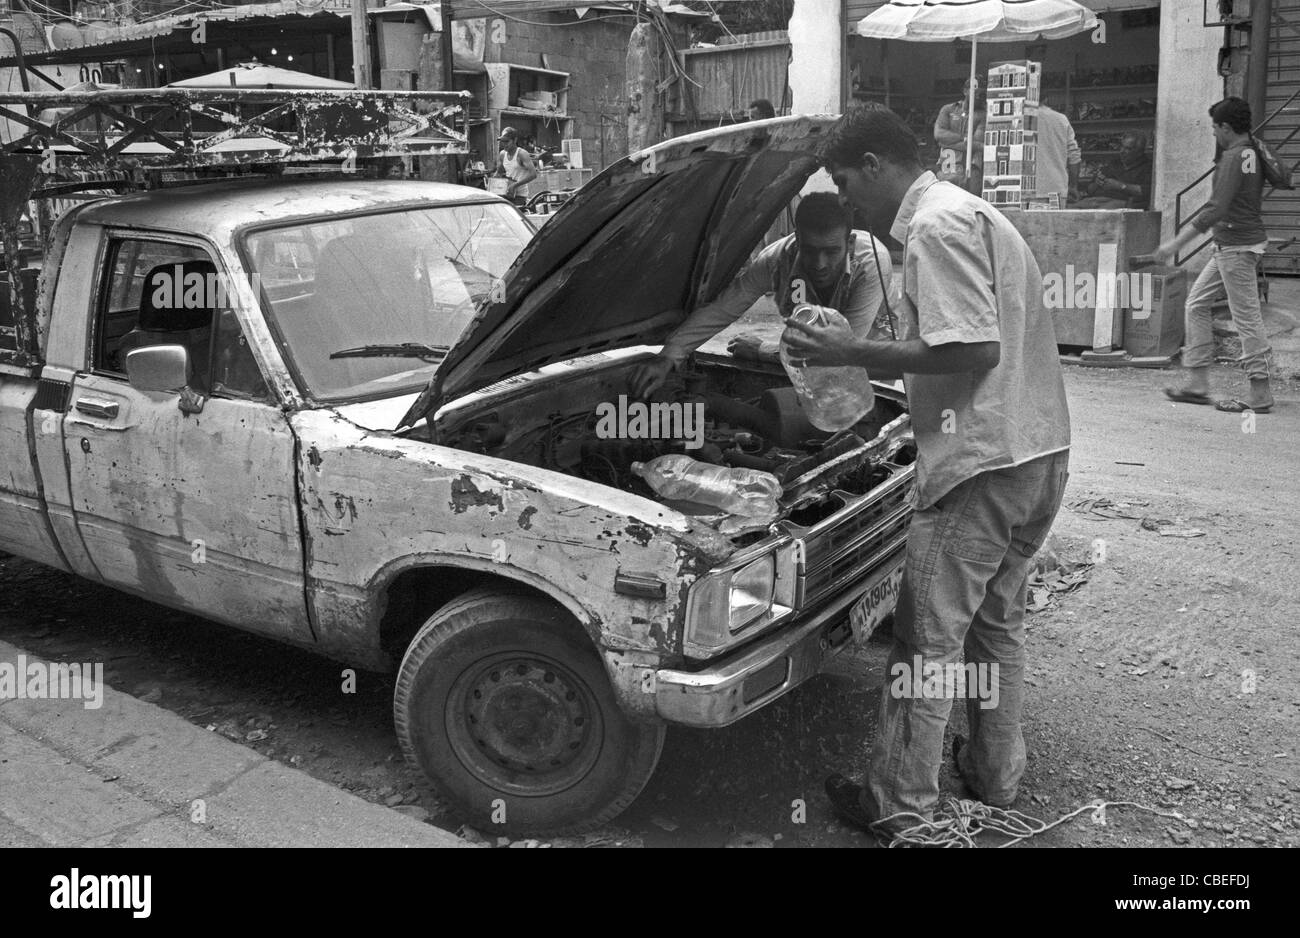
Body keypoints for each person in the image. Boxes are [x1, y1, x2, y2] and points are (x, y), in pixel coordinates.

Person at [783, 107, 1071, 841]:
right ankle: (995, 775)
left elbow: (969, 349)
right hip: (1036, 452)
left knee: (927, 642)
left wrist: (853, 352)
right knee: (995, 625)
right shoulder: (968, 212)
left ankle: (899, 808)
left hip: (981, 461)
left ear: (877, 164)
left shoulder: (936, 229)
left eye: (848, 183)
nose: (847, 202)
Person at [630, 192, 895, 399]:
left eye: (831, 251)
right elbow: (724, 308)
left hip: (873, 362)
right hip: (807, 361)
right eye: (810, 250)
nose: (820, 263)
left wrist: (762, 350)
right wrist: (669, 356)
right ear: (796, 237)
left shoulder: (871, 262)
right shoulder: (776, 260)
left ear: (849, 244)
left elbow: (842, 352)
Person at [1155, 97, 1274, 413]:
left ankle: (1260, 391)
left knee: (1246, 317)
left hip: (1235, 246)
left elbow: (1215, 208)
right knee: (1195, 305)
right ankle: (1197, 384)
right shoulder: (1252, 150)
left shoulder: (1235, 157)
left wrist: (1174, 244)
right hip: (1233, 244)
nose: (1212, 134)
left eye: (1213, 127)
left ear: (1225, 127)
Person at [1076, 132, 1153, 209]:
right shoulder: (1114, 163)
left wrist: (1120, 186)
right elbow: (1090, 190)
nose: (1122, 151)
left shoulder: (1148, 167)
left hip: (1122, 204)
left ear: (1139, 152)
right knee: (1071, 208)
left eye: (1128, 149)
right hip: (1097, 200)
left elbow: (1146, 191)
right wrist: (1097, 182)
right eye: (1122, 147)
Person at [1035, 101, 1081, 205]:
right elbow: (1074, 157)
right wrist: (1073, 187)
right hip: (1055, 190)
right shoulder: (1061, 119)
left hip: (1020, 191)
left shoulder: (1015, 118)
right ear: (1046, 98)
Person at [494, 126, 538, 202]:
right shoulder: (502, 154)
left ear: (515, 140)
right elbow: (499, 172)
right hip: (506, 194)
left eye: (507, 142)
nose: (504, 144)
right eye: (502, 141)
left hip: (520, 196)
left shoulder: (522, 154)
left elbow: (533, 174)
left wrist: (515, 185)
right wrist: (492, 182)